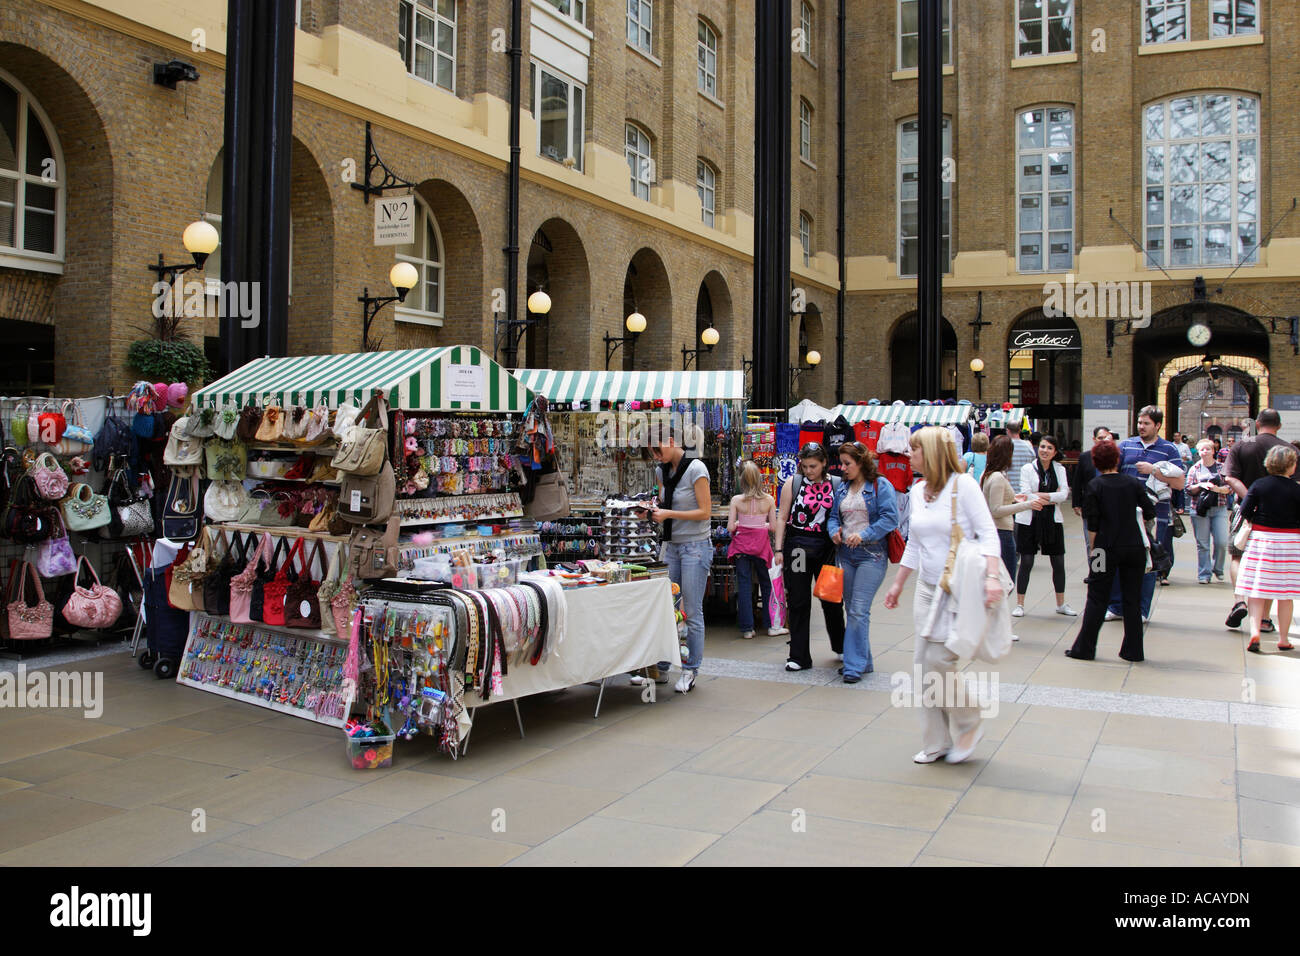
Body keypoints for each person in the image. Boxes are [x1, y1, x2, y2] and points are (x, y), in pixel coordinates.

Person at [883, 427, 1002, 765]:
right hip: (926, 588)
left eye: (915, 450)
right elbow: (915, 544)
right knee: (923, 666)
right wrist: (898, 584)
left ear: (932, 453)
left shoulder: (963, 487)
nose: (908, 455)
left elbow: (989, 534)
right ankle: (936, 742)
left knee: (939, 661)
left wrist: (992, 577)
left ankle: (969, 721)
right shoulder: (918, 490)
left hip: (957, 589)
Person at [1065, 439, 1155, 663]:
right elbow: (1150, 509)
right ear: (1118, 459)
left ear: (1095, 462)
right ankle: (1133, 651)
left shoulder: (1095, 486)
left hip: (1104, 550)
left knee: (1096, 597)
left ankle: (1084, 648)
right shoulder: (1132, 483)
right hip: (1133, 548)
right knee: (1132, 600)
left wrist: (1094, 552)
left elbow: (1092, 525)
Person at [827, 442, 899, 683]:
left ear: (861, 463)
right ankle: (863, 660)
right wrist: (834, 531)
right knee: (853, 609)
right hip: (846, 553)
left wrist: (865, 534)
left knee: (858, 609)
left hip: (872, 554)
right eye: (842, 463)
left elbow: (891, 518)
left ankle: (852, 665)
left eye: (848, 464)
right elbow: (832, 518)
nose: (843, 468)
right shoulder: (842, 489)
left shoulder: (881, 485)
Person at [647, 427, 712, 694]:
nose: (656, 456)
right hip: (671, 545)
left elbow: (705, 511)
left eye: (658, 449)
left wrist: (668, 513)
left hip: (695, 545)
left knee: (692, 611)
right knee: (666, 608)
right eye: (652, 452)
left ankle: (690, 669)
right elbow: (664, 502)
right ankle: (662, 667)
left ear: (671, 442)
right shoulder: (662, 471)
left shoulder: (696, 468)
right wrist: (653, 511)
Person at [1105, 406, 1184, 621]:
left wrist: (1154, 471)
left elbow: (1179, 483)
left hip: (1155, 515)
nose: (1141, 427)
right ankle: (1116, 606)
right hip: (1124, 513)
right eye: (1140, 423)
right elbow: (1112, 473)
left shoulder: (1169, 449)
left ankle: (1141, 609)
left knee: (1148, 560)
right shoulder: (1126, 446)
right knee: (1118, 558)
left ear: (1157, 425)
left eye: (1146, 423)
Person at [774, 442, 845, 671]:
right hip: (797, 547)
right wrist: (778, 549)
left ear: (824, 463)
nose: (808, 471)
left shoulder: (836, 483)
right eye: (804, 466)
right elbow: (782, 516)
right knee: (798, 600)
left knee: (831, 599)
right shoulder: (792, 484)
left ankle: (841, 645)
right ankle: (798, 655)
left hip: (826, 548)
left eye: (813, 466)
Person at [1224, 409, 1290, 632]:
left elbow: (1230, 477)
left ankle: (1240, 600)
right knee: (1268, 565)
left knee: (1237, 554)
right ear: (1278, 426)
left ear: (1258, 423)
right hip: (1277, 515)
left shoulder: (1242, 445)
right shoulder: (1287, 448)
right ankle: (1263, 619)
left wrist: (1249, 499)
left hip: (1244, 511)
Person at [1235, 444, 1300, 654]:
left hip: (1261, 540)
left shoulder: (1259, 485)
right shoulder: (1296, 489)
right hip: (1290, 543)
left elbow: (1244, 511)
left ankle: (1255, 632)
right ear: (1290, 466)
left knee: (1256, 590)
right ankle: (1283, 638)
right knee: (1286, 593)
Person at [1013, 434, 1076, 617]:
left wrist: (1043, 496)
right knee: (1026, 561)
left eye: (1049, 448)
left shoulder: (1059, 469)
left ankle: (1061, 603)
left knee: (1058, 562)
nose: (1045, 451)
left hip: (1052, 520)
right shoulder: (1028, 468)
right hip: (1029, 519)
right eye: (1042, 447)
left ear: (1055, 451)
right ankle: (1020, 604)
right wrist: (1050, 496)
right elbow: (1025, 493)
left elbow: (1064, 494)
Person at [726, 461, 788, 640]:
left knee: (744, 586)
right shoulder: (768, 500)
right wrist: (761, 525)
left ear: (742, 480)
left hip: (741, 547)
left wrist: (740, 524)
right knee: (766, 584)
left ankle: (747, 629)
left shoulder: (736, 500)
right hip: (761, 547)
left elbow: (731, 527)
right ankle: (771, 625)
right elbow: (774, 527)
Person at [982, 435, 1040, 583]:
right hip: (1002, 531)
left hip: (998, 531)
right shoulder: (997, 477)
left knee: (1001, 581)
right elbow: (996, 510)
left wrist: (1015, 499)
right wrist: (1026, 505)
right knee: (1007, 582)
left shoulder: (990, 474)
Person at [1187, 437, 1232, 585]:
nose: (1205, 452)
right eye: (1202, 449)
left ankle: (1218, 568)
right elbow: (1188, 489)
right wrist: (1201, 485)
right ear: (1198, 452)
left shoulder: (1222, 468)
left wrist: (1217, 489)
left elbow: (1230, 488)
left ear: (1213, 451)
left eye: (1208, 449)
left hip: (1219, 507)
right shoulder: (1195, 469)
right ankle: (1204, 574)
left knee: (1221, 541)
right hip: (1199, 509)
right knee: (1203, 544)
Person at [1073, 427, 1112, 564]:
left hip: (1109, 506)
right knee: (1092, 543)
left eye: (1105, 438)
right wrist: (1076, 503)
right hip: (1090, 507)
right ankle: (1095, 572)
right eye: (1100, 438)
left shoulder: (1114, 457)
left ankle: (1105, 572)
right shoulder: (1085, 457)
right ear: (1094, 439)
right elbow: (1078, 481)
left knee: (1107, 542)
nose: (1102, 441)